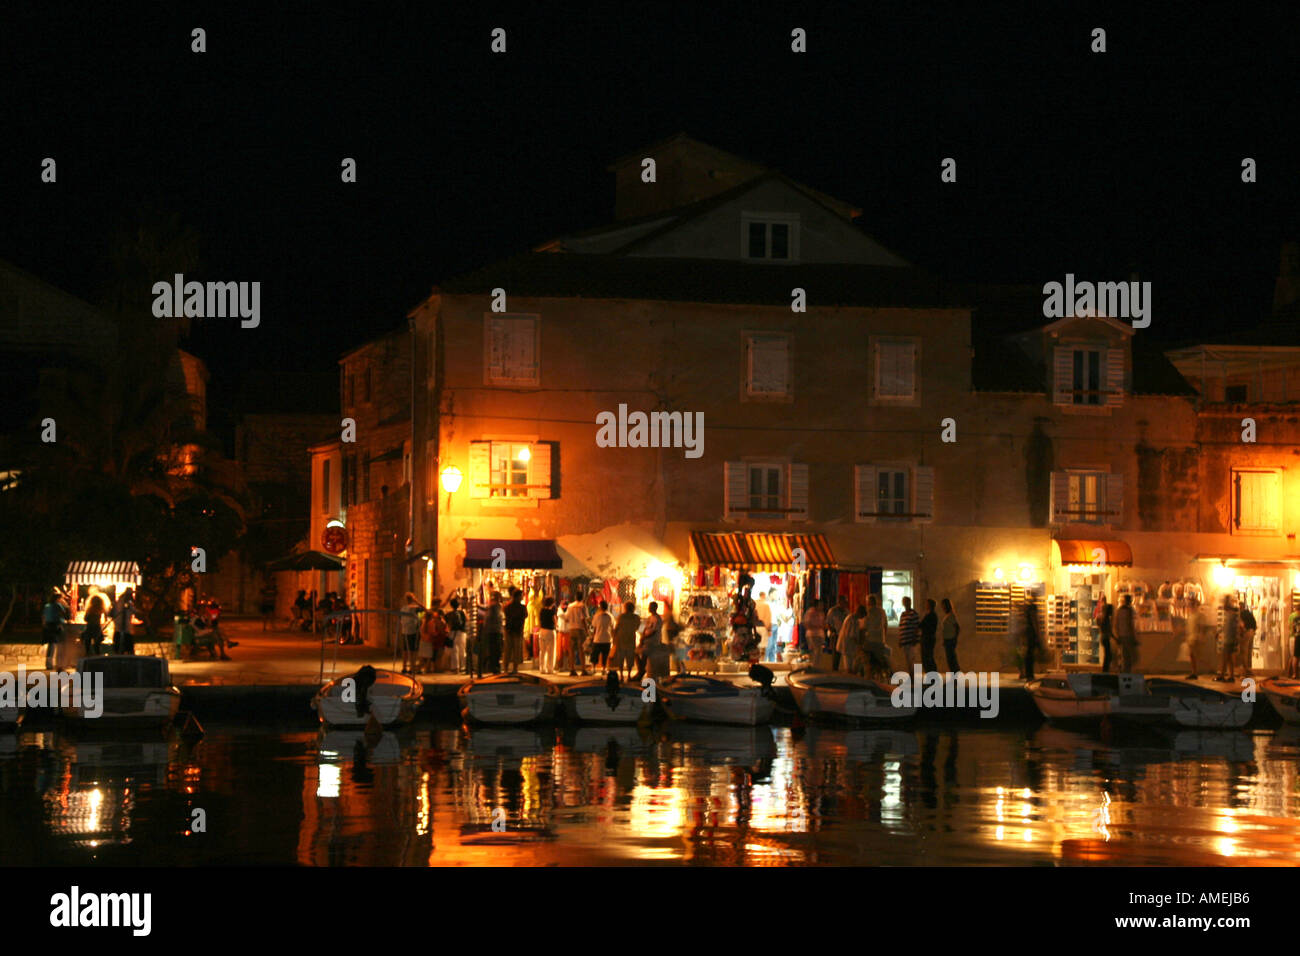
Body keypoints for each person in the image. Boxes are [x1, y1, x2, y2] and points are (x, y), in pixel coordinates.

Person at [637, 601, 669, 681]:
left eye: (650, 607)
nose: (648, 608)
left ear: (654, 608)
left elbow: (654, 631)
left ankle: (641, 672)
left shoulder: (657, 619)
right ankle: (641, 670)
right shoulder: (650, 618)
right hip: (646, 641)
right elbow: (644, 628)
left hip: (653, 642)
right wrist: (642, 637)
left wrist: (644, 637)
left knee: (643, 654)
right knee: (636, 652)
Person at [42, 587, 69, 669]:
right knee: (55, 644)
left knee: (50, 645)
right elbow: (65, 612)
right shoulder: (58, 605)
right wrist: (64, 603)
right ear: (57, 598)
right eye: (60, 598)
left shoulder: (47, 605)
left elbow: (43, 616)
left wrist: (44, 625)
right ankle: (55, 663)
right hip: (55, 626)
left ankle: (48, 663)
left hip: (47, 626)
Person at [863, 594, 890, 678]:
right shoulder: (882, 611)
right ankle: (882, 676)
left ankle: (871, 677)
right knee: (880, 660)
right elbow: (885, 625)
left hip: (870, 640)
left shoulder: (868, 612)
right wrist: (884, 637)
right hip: (880, 640)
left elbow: (864, 626)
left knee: (870, 661)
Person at [611, 601, 639, 681]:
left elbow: (616, 628)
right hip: (631, 639)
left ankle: (622, 675)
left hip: (621, 639)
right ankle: (629, 675)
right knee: (630, 658)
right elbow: (636, 627)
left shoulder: (621, 617)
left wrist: (614, 638)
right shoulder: (636, 617)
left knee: (621, 658)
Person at [562, 594, 589, 677]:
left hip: (571, 629)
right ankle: (583, 669)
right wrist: (587, 631)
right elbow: (583, 619)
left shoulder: (570, 606)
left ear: (575, 597)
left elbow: (566, 618)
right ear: (582, 598)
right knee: (581, 650)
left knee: (572, 650)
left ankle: (572, 669)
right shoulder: (582, 606)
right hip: (580, 629)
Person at [398, 592, 423, 675]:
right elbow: (425, 609)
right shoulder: (415, 608)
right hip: (413, 631)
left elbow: (400, 619)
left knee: (405, 650)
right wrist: (417, 601)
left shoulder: (403, 608)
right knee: (413, 650)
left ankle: (404, 667)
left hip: (405, 631)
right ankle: (412, 667)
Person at [503, 589, 527, 674]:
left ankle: (506, 668)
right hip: (517, 631)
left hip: (509, 630)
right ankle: (515, 668)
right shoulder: (522, 607)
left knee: (508, 650)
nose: (522, 597)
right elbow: (525, 616)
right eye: (521, 596)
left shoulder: (507, 607)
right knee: (516, 650)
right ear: (517, 597)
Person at [837, 605, 865, 676]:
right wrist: (859, 645)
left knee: (849, 665)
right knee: (849, 667)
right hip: (847, 646)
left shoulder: (850, 618)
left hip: (847, 646)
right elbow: (852, 635)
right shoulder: (853, 620)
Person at [1217, 594, 1238, 683]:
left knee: (1225, 658)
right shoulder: (1230, 615)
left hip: (1229, 639)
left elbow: (1232, 628)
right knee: (1228, 658)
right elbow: (1227, 626)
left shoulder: (1231, 615)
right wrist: (1219, 632)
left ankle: (1223, 675)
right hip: (1229, 639)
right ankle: (1231, 676)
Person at [1114, 594, 1137, 673]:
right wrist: (1133, 636)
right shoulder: (1129, 611)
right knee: (1128, 655)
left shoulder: (1119, 611)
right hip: (1127, 635)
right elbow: (1130, 624)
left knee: (1122, 654)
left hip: (1121, 635)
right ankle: (1126, 671)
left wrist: (1117, 635)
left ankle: (1122, 670)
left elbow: (1116, 624)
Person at [825, 595, 849, 671]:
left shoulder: (847, 612)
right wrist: (833, 631)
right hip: (836, 634)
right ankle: (835, 670)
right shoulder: (833, 611)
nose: (844, 604)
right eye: (843, 602)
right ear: (839, 602)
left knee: (846, 655)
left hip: (845, 635)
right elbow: (828, 623)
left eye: (845, 602)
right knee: (836, 655)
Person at [482, 593, 504, 674]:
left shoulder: (492, 608)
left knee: (493, 650)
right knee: (496, 650)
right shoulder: (496, 607)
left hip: (493, 631)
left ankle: (493, 667)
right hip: (495, 632)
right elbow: (496, 618)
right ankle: (495, 668)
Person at [445, 597, 468, 674]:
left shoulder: (449, 614)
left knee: (454, 651)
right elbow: (465, 622)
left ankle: (455, 668)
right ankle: (463, 667)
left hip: (453, 633)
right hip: (462, 632)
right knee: (462, 650)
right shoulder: (462, 613)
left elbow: (447, 622)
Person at [897, 596, 920, 672]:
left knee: (913, 659)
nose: (905, 603)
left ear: (910, 602)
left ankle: (916, 677)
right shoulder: (903, 614)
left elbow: (917, 627)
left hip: (911, 641)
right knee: (908, 660)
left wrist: (914, 638)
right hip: (905, 641)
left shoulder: (914, 613)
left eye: (907, 602)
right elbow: (901, 626)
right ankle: (911, 676)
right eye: (904, 602)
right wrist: (900, 639)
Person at [111, 588, 136, 655]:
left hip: (120, 629)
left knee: (118, 645)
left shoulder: (118, 602)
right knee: (127, 645)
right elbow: (134, 611)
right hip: (123, 629)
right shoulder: (127, 603)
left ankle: (119, 653)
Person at [802, 599, 826, 667]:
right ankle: (814, 666)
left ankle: (816, 666)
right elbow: (806, 623)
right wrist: (816, 626)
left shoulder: (821, 613)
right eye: (820, 605)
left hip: (820, 634)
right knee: (816, 651)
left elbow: (823, 623)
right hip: (813, 634)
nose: (822, 606)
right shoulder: (811, 612)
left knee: (819, 652)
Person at [590, 599, 613, 672]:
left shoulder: (597, 616)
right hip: (607, 638)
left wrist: (592, 637)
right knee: (605, 655)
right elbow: (612, 627)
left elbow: (594, 627)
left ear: (600, 607)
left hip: (598, 638)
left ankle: (593, 668)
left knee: (595, 654)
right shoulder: (610, 616)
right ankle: (604, 668)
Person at [537, 597, 558, 674]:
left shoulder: (541, 611)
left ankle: (542, 668)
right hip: (550, 631)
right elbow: (555, 621)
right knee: (551, 651)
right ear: (552, 603)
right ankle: (550, 669)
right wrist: (557, 625)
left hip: (542, 631)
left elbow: (539, 620)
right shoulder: (551, 611)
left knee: (542, 651)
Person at [940, 598, 961, 672]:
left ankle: (955, 678)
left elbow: (957, 627)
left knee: (951, 660)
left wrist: (955, 639)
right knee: (951, 660)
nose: (942, 607)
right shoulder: (948, 615)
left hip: (950, 640)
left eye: (943, 605)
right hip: (948, 640)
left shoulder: (951, 615)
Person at [919, 598, 939, 673]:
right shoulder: (932, 615)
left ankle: (932, 677)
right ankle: (932, 677)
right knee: (928, 658)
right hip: (928, 638)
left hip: (927, 639)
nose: (925, 605)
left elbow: (921, 625)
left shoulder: (931, 615)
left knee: (927, 658)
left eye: (927, 604)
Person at [1237, 602, 1257, 678]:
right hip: (1252, 632)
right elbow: (1254, 623)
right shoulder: (1249, 613)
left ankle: (1245, 671)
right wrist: (1253, 630)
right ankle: (1249, 668)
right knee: (1249, 651)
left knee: (1244, 651)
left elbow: (1241, 625)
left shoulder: (1241, 614)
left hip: (1247, 632)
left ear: (1240, 607)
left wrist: (1243, 632)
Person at [1022, 596, 1039, 681]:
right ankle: (1029, 674)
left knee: (1029, 654)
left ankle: (1028, 673)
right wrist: (1038, 634)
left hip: (1028, 633)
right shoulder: (1033, 608)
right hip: (1032, 634)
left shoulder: (1028, 608)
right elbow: (1034, 621)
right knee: (1030, 654)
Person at [1098, 600, 1114, 673]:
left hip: (1103, 638)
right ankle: (1105, 671)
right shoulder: (1106, 619)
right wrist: (1115, 638)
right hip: (1105, 638)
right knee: (1108, 655)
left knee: (1108, 655)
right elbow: (1108, 631)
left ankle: (1105, 670)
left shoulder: (1104, 618)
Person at [1288, 603, 1300, 680]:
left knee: (1294, 656)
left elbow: (1291, 627)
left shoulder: (1293, 617)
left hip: (1296, 637)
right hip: (1296, 637)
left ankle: (1294, 674)